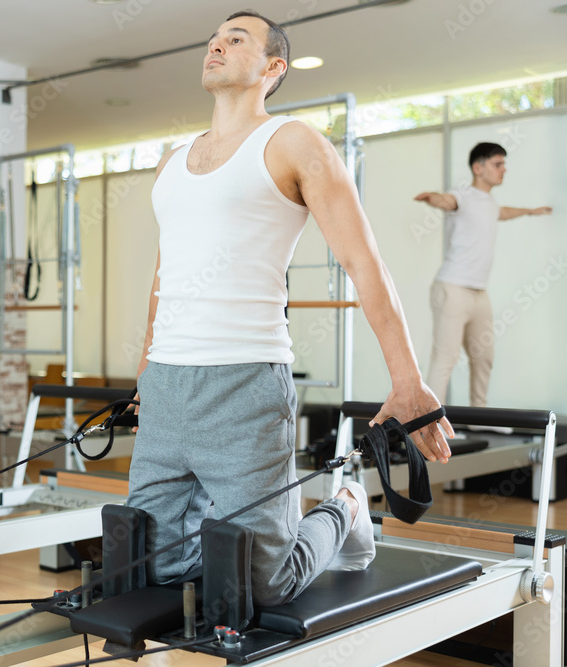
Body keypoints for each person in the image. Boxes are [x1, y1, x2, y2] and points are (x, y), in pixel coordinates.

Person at [127, 10, 455, 607]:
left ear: (273, 67)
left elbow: (365, 264)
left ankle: (347, 506)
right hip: (168, 385)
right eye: (212, 39)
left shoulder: (293, 143)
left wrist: (408, 381)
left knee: (267, 585)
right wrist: (147, 369)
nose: (216, 46)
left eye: (236, 39)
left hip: (245, 383)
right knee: (156, 568)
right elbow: (162, 278)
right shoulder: (171, 162)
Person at [415, 144, 552, 408]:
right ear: (478, 168)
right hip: (452, 289)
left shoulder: (489, 202)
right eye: (498, 164)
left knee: (484, 355)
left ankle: (479, 416)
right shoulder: (463, 195)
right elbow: (447, 201)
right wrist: (433, 197)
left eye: (504, 164)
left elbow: (501, 212)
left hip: (479, 293)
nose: (504, 169)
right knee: (446, 357)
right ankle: (430, 424)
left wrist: (529, 211)